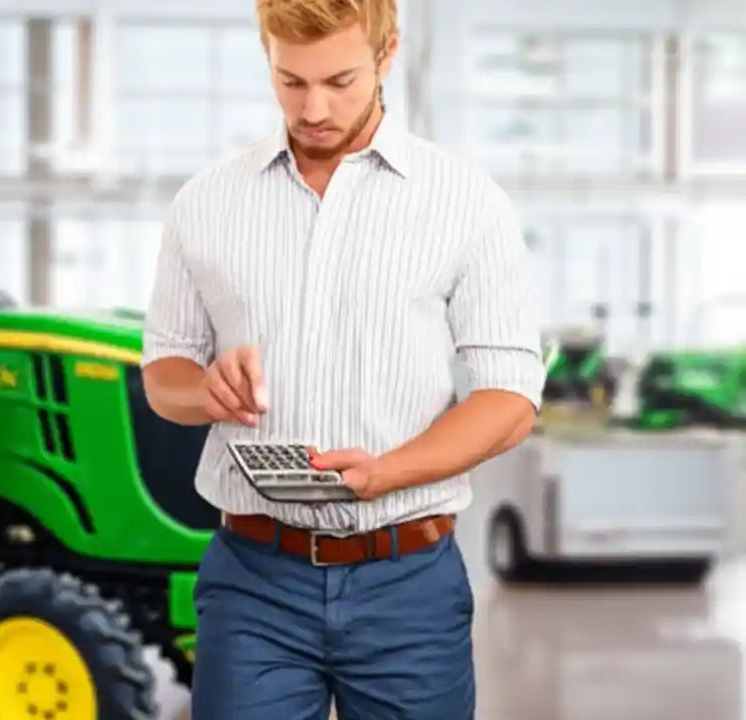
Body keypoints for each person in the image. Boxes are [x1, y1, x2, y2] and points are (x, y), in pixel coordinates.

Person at [139, 0, 544, 718]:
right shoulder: (205, 203)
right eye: (291, 81)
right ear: (267, 55)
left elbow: (509, 398)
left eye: (340, 81)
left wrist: (387, 473)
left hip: (409, 584)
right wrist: (205, 391)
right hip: (253, 582)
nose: (314, 108)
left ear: (387, 54)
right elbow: (164, 374)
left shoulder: (466, 204)